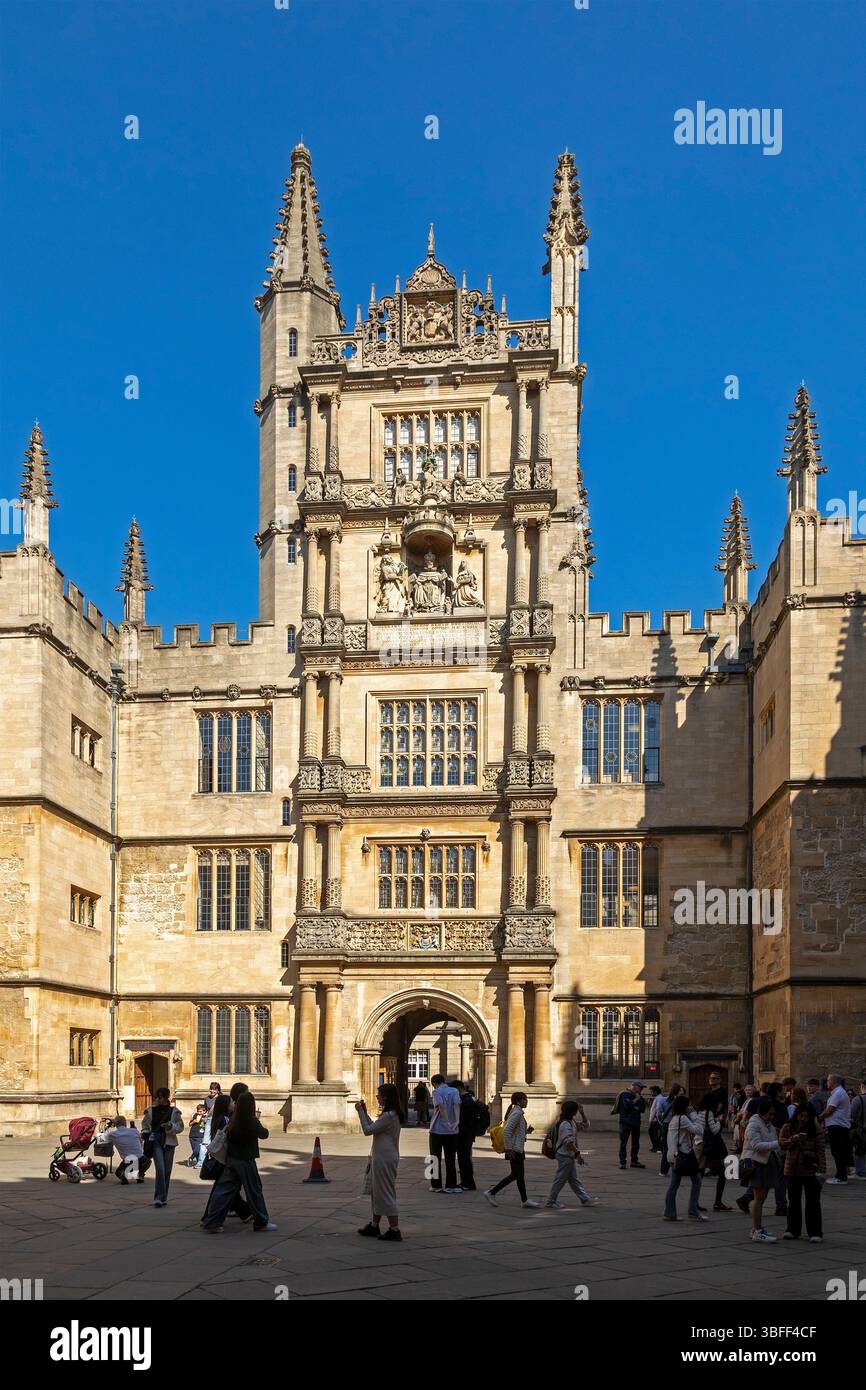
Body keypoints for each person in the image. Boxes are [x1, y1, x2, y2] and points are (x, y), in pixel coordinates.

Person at [203, 1091, 276, 1233]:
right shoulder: (250, 1120)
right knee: (254, 1190)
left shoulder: (233, 1120)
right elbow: (264, 1134)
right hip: (245, 1160)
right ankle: (261, 1221)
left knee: (224, 1191)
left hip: (231, 1159)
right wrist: (257, 1121)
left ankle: (212, 1222)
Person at [356, 1084, 403, 1241]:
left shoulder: (389, 1115)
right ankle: (374, 1225)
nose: (378, 1098)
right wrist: (363, 1111)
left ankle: (394, 1229)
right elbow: (374, 1127)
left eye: (379, 1095)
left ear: (387, 1097)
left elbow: (367, 1130)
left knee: (385, 1193)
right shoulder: (389, 1115)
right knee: (377, 1193)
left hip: (385, 1158)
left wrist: (360, 1113)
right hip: (381, 1156)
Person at [779, 1090, 826, 1242]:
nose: (804, 1119)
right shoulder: (788, 1127)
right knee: (793, 1201)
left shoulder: (816, 1129)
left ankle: (815, 1232)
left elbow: (820, 1151)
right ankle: (792, 1229)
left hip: (810, 1169)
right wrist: (792, 1140)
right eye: (801, 1116)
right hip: (792, 1168)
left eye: (807, 1117)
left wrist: (821, 1172)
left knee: (813, 1202)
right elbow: (781, 1145)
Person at [200, 1093, 252, 1226]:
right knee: (225, 1189)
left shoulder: (219, 1118)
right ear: (226, 1105)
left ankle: (245, 1212)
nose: (234, 1104)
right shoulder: (224, 1120)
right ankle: (209, 1218)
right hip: (225, 1158)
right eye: (231, 1102)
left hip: (221, 1158)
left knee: (227, 1189)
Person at [484, 1092, 539, 1208]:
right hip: (514, 1149)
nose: (527, 1101)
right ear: (519, 1101)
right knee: (516, 1175)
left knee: (519, 1175)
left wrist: (526, 1131)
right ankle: (491, 1192)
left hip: (516, 1147)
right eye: (525, 1099)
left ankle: (524, 1200)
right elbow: (507, 1131)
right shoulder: (518, 1113)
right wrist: (509, 1149)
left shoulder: (516, 1111)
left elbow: (515, 1130)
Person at [741, 1097, 783, 1243]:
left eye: (773, 1114)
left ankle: (756, 1228)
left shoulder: (768, 1125)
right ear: (762, 1113)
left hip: (767, 1161)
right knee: (758, 1198)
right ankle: (757, 1230)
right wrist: (778, 1143)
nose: (772, 1117)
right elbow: (757, 1145)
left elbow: (772, 1142)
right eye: (769, 1114)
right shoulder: (753, 1125)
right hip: (756, 1162)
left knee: (762, 1198)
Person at [545, 1101, 598, 1209]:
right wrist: (578, 1154)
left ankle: (585, 1199)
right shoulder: (565, 1124)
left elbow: (585, 1125)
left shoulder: (571, 1122)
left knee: (573, 1179)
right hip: (564, 1155)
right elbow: (568, 1142)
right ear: (572, 1111)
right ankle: (550, 1201)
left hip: (567, 1155)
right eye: (576, 1110)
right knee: (560, 1179)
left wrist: (582, 1113)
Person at [663, 1095, 705, 1222]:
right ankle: (692, 1210)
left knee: (674, 1184)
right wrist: (694, 1115)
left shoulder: (675, 1118)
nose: (690, 1107)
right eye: (689, 1105)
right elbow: (699, 1130)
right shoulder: (683, 1118)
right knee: (696, 1181)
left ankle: (670, 1212)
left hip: (673, 1155)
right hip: (683, 1156)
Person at [141, 1088, 184, 1208]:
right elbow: (145, 1125)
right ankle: (158, 1197)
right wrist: (145, 1133)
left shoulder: (174, 1111)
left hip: (169, 1141)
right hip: (155, 1141)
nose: (157, 1100)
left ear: (166, 1098)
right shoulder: (150, 1111)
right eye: (156, 1097)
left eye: (159, 1097)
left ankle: (163, 1197)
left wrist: (171, 1126)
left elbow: (180, 1127)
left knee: (167, 1170)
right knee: (160, 1169)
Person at [697, 1091, 730, 1211]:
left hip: (703, 1144)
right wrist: (720, 1121)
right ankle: (718, 1202)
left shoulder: (700, 1112)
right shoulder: (709, 1113)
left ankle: (694, 1201)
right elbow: (715, 1130)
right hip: (713, 1146)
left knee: (699, 1173)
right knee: (722, 1172)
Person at [429, 1072, 461, 1194]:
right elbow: (457, 1105)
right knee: (451, 1158)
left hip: (437, 1129)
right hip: (453, 1131)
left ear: (434, 1083)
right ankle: (451, 1185)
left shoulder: (436, 1092)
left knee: (434, 1157)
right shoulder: (454, 1091)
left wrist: (446, 1121)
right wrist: (456, 1121)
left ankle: (435, 1185)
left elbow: (441, 1107)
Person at [821, 1073, 852, 1184]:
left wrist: (818, 1118)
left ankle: (841, 1177)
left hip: (838, 1126)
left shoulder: (838, 1093)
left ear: (834, 1082)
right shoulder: (837, 1092)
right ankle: (841, 1174)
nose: (826, 1082)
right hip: (837, 1126)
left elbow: (830, 1110)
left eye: (828, 1080)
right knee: (838, 1151)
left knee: (838, 1152)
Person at [105, 1116, 146, 1184]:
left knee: (118, 1172)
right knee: (145, 1160)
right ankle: (140, 1174)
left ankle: (124, 1175)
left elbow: (100, 1138)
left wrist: (98, 1125)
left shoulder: (113, 1134)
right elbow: (141, 1142)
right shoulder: (134, 1131)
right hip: (142, 1160)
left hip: (129, 1161)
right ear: (125, 1123)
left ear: (115, 1124)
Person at [455, 1081, 479, 1192]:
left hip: (464, 1133)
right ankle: (467, 1182)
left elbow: (462, 1118)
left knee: (464, 1158)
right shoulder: (471, 1098)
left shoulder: (465, 1101)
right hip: (468, 1132)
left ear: (459, 1088)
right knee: (465, 1157)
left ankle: (467, 1183)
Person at [616, 1081, 646, 1169]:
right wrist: (636, 1100)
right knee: (623, 1143)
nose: (641, 1089)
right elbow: (627, 1105)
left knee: (636, 1143)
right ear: (634, 1087)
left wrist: (634, 1105)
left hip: (636, 1122)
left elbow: (642, 1108)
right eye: (640, 1087)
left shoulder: (640, 1096)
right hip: (625, 1122)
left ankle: (634, 1161)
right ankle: (622, 1162)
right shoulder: (625, 1094)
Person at [851, 1080, 866, 1180]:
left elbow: (851, 1114)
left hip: (862, 1129)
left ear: (862, 1086)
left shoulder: (858, 1099)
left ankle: (861, 1172)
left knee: (860, 1151)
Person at [647, 1086, 663, 1152]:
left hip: (655, 1120)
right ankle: (655, 1146)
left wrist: (654, 1118)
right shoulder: (656, 1098)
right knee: (653, 1133)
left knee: (654, 1133)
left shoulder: (659, 1098)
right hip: (654, 1119)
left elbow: (657, 1110)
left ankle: (657, 1147)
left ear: (655, 1092)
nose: (651, 1093)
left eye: (652, 1091)